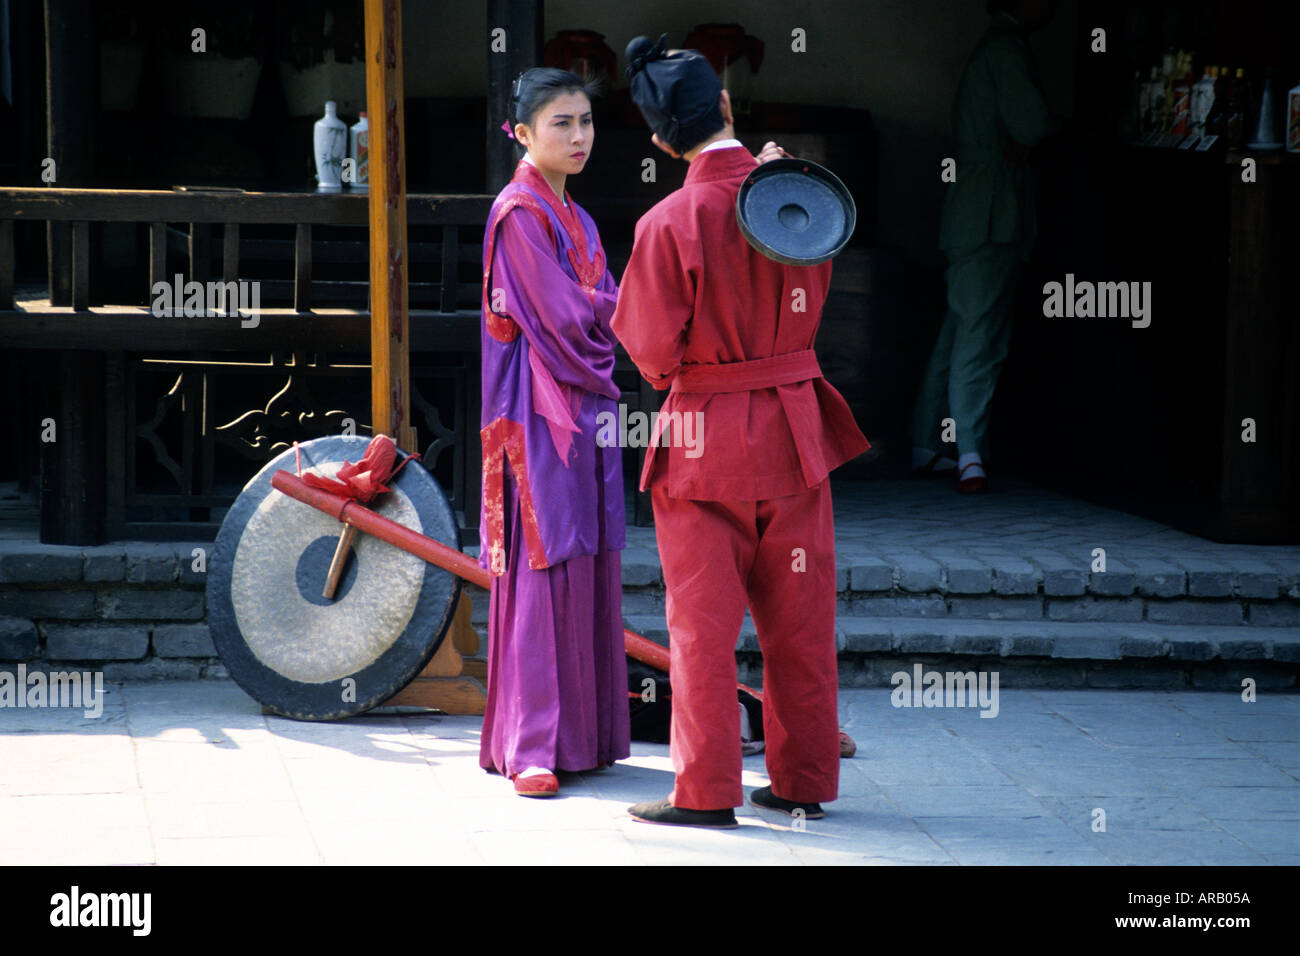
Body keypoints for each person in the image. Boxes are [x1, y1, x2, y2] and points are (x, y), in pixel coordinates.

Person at [611, 35, 869, 828]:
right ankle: (802, 780)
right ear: (727, 106)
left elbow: (652, 359)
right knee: (800, 623)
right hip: (795, 428)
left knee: (702, 629)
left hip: (706, 440)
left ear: (660, 140)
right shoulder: (801, 196)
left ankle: (708, 791)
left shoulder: (668, 219)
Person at [477, 68, 629, 796]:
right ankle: (531, 746)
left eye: (586, 121)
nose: (579, 136)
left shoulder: (580, 215)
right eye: (562, 123)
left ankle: (584, 738)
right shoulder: (519, 214)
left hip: (585, 409)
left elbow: (594, 306)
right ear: (523, 132)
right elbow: (568, 321)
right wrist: (625, 317)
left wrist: (612, 312)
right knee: (541, 564)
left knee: (587, 561)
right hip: (537, 415)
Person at [909, 0, 1058, 492]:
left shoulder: (991, 46)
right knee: (981, 336)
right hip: (994, 210)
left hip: (973, 207)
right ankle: (970, 450)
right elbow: (1034, 125)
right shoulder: (1007, 49)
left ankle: (929, 444)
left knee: (957, 331)